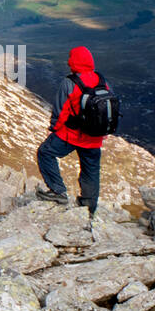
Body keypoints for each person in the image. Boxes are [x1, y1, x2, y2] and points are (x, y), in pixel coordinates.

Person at [36, 46, 107, 214]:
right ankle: (89, 207)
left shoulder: (70, 82)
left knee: (45, 152)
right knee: (91, 170)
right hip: (94, 137)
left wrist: (53, 129)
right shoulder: (101, 80)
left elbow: (61, 111)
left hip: (72, 135)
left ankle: (57, 191)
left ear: (74, 62)